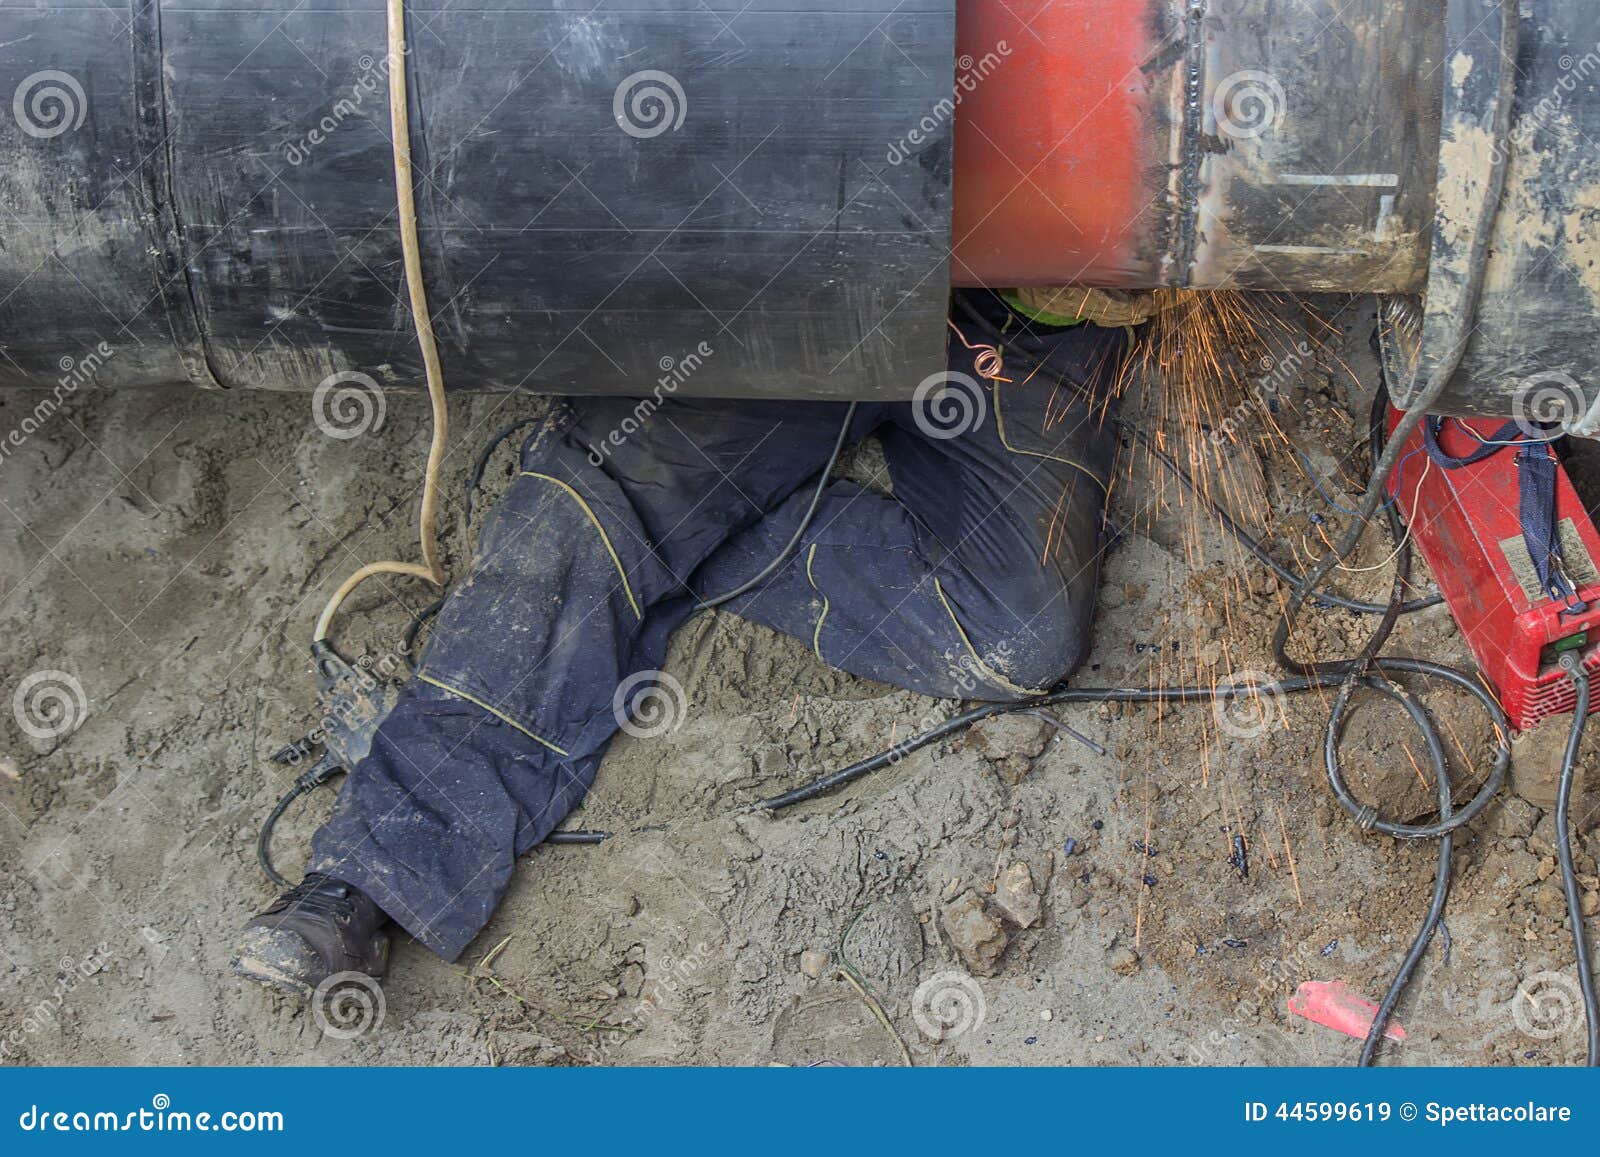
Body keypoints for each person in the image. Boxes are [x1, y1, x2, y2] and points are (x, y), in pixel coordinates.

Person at [232, 289, 1130, 995]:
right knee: (604, 494)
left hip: (1019, 332)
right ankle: (378, 870)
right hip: (831, 266)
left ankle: (669, 514)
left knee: (1021, 634)